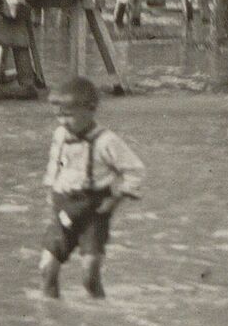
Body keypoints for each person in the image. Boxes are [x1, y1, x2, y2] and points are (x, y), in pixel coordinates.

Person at [37, 74, 146, 299]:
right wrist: (51, 192)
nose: (63, 122)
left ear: (90, 109)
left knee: (90, 275)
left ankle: (96, 316)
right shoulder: (60, 134)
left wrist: (116, 198)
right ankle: (50, 320)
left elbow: (135, 170)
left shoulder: (106, 141)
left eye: (69, 115)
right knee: (47, 270)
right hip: (64, 208)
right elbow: (54, 164)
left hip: (94, 211)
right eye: (58, 116)